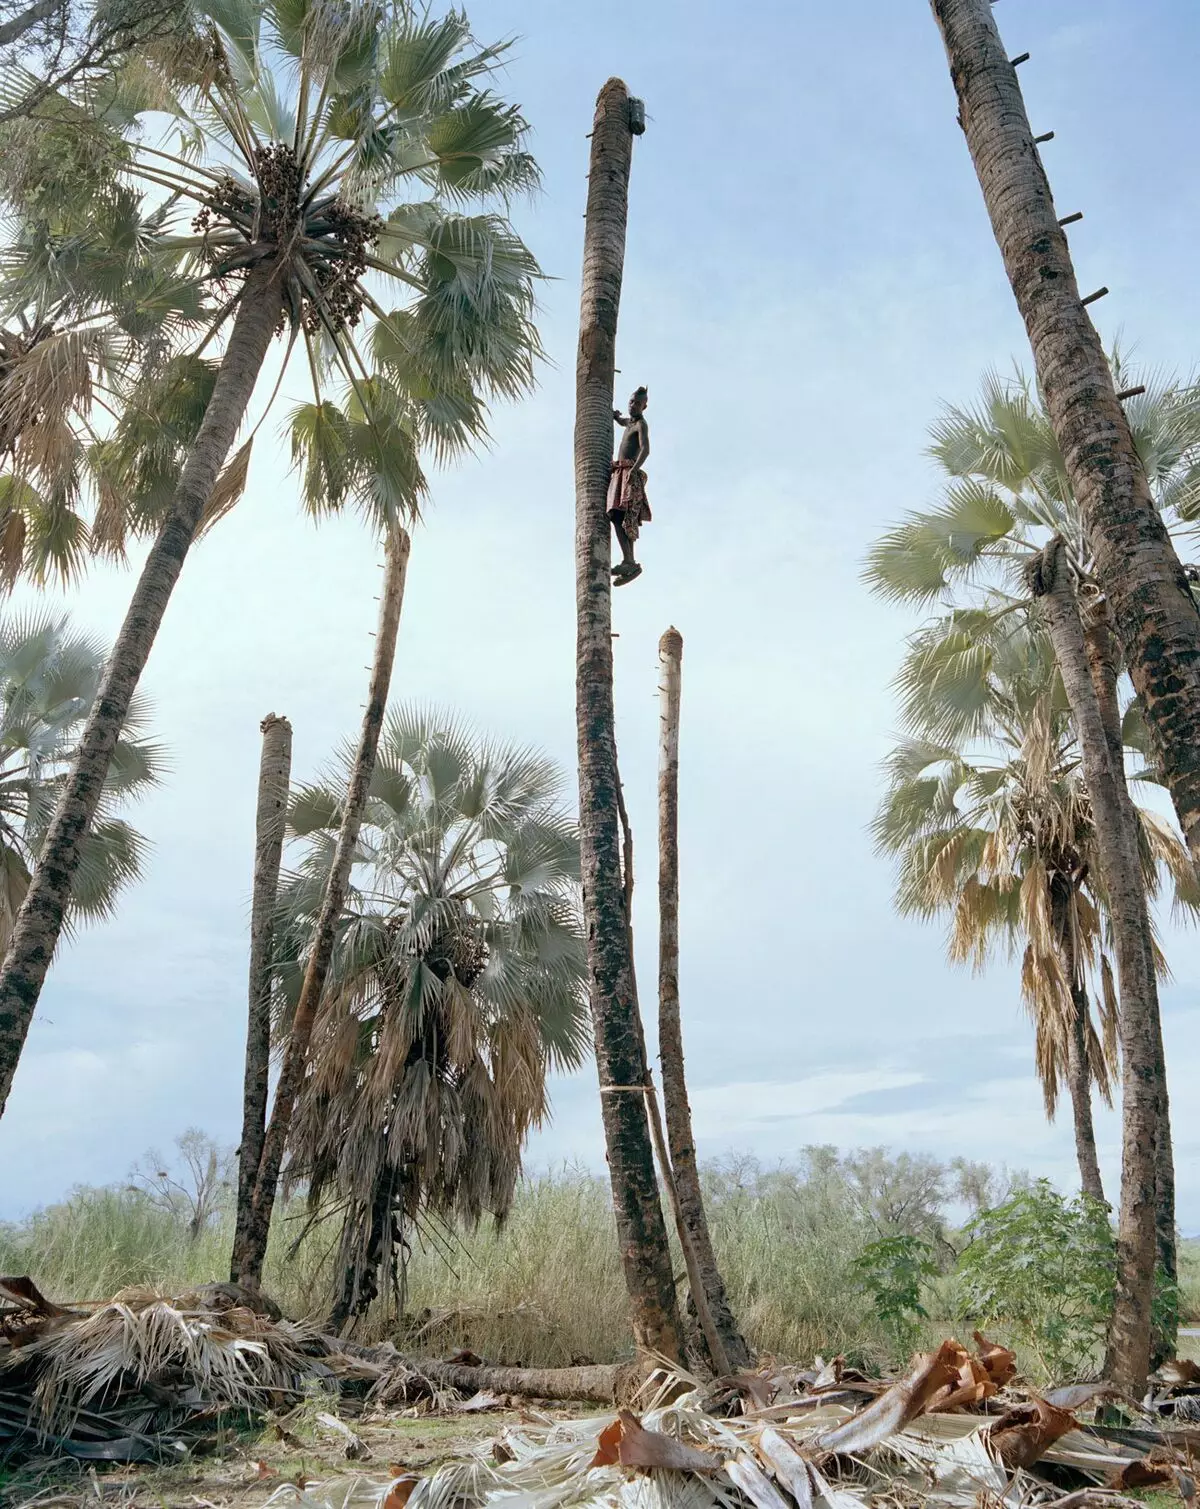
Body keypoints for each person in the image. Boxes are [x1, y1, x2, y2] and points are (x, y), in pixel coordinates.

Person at [607, 385, 650, 585]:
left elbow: (645, 449)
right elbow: (623, 421)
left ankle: (629, 561)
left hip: (628, 472)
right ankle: (629, 561)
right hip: (620, 472)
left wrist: (633, 470)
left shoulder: (641, 424)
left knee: (623, 516)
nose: (633, 406)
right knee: (616, 515)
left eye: (638, 404)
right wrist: (616, 417)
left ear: (644, 406)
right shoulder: (630, 423)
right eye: (631, 402)